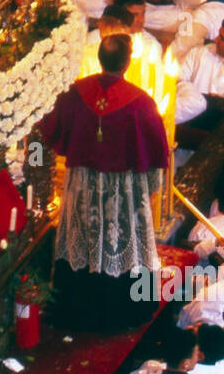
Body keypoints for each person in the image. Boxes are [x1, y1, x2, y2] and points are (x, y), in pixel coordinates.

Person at [38, 34, 169, 331]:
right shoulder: (141, 103)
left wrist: (36, 161)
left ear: (99, 58)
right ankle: (128, 312)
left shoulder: (75, 94)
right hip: (123, 190)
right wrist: (149, 189)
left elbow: (48, 130)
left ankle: (75, 310)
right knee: (124, 239)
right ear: (127, 62)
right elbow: (155, 152)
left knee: (82, 239)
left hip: (83, 184)